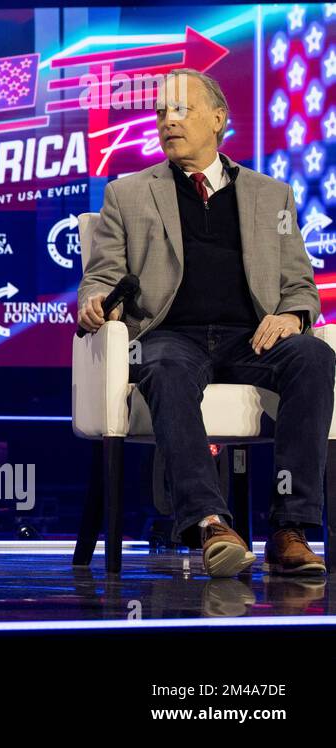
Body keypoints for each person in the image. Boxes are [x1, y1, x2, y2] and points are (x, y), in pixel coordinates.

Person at [78, 68, 331, 578]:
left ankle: (290, 529)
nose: (168, 122)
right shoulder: (126, 195)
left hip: (250, 337)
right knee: (165, 368)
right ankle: (212, 524)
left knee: (314, 356)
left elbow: (302, 286)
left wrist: (291, 314)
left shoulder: (272, 197)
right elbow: (101, 276)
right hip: (170, 335)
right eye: (160, 114)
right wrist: (96, 300)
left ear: (219, 119)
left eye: (181, 110)